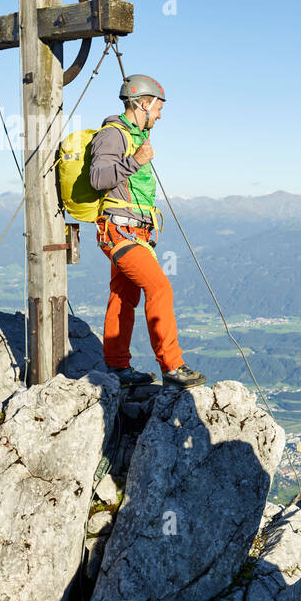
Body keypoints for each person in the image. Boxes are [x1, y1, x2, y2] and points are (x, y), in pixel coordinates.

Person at [89, 75, 205, 389]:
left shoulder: (133, 136)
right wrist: (135, 161)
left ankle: (117, 367)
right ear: (144, 103)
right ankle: (172, 365)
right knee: (160, 288)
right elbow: (98, 178)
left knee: (123, 296)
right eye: (158, 108)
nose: (160, 115)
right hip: (120, 231)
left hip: (130, 231)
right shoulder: (113, 135)